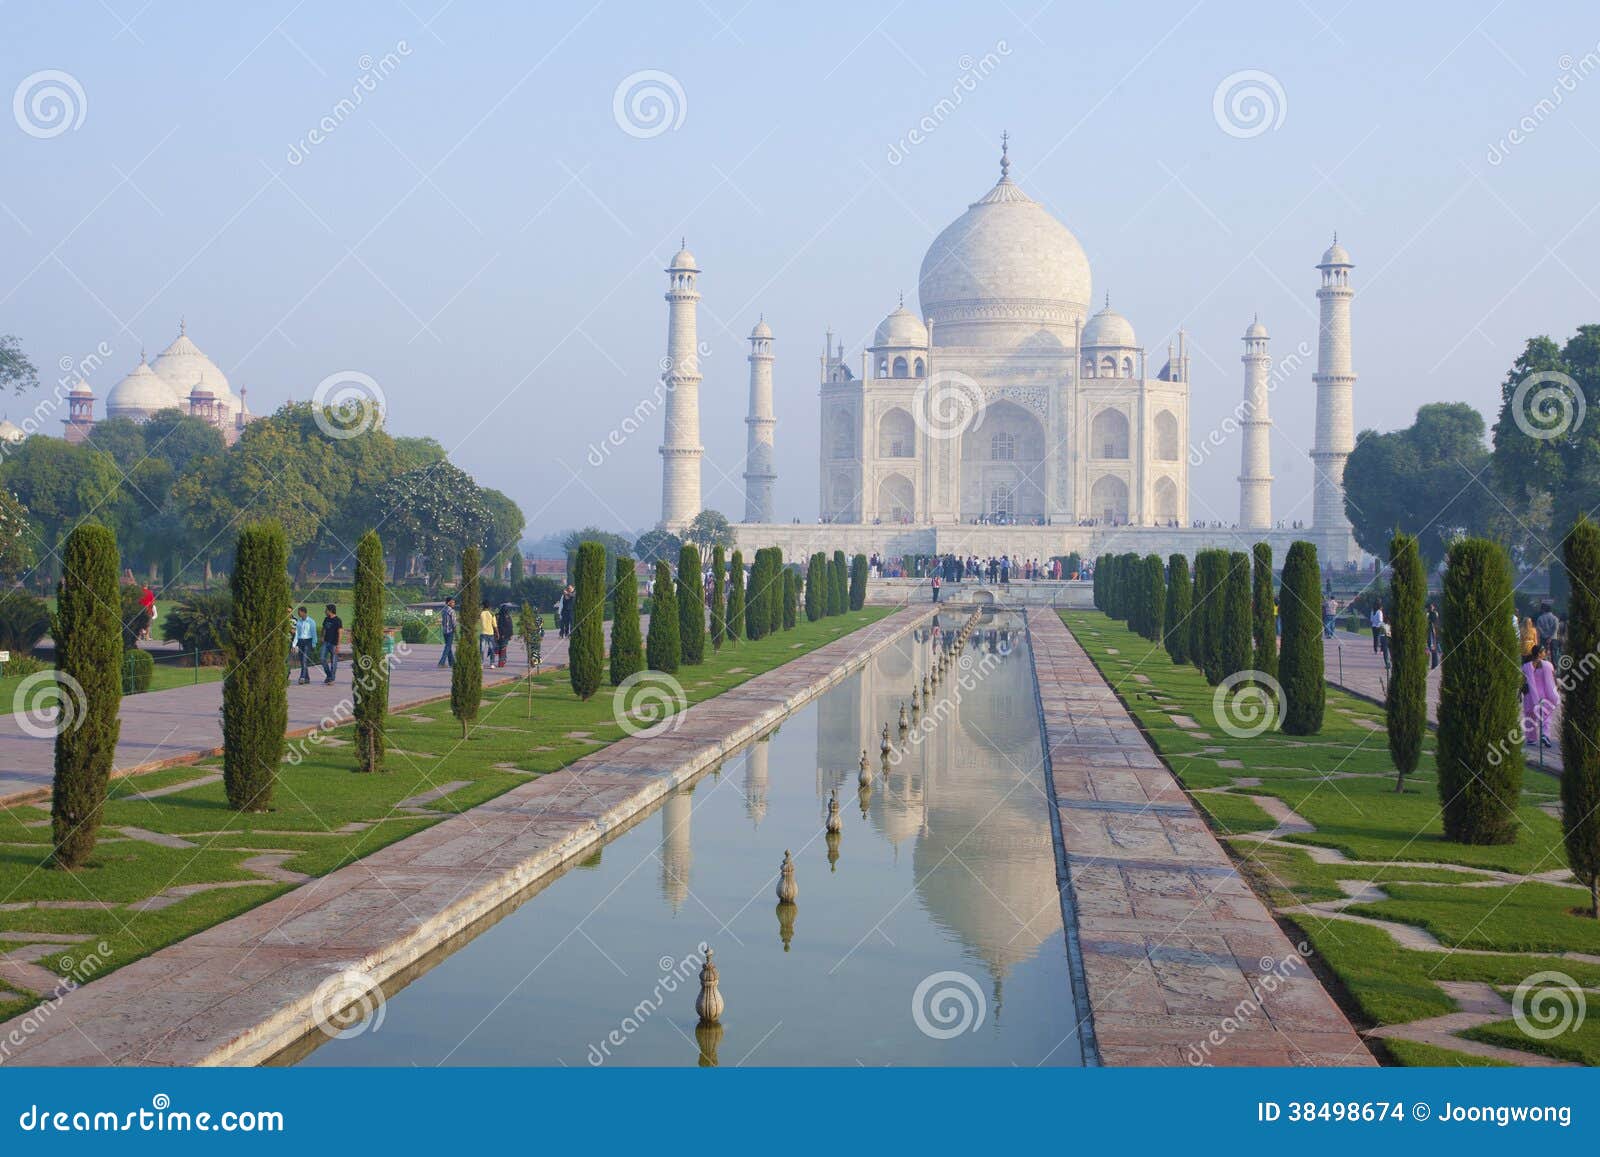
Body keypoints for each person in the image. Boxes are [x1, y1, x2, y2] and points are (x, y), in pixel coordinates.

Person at [1522, 643, 1559, 748]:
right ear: (1539, 654)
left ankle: (1531, 739)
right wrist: (1556, 688)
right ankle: (1545, 734)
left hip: (1529, 695)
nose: (1546, 653)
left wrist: (1520, 692)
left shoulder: (1525, 666)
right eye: (1544, 651)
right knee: (1546, 716)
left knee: (1530, 716)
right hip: (1543, 695)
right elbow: (1553, 679)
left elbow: (1522, 681)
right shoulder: (1548, 665)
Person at [291, 606, 317, 685]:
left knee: (305, 659)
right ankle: (307, 678)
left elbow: (314, 633)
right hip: (300, 641)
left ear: (303, 612)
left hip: (308, 641)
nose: (298, 614)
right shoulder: (299, 622)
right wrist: (294, 644)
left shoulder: (311, 621)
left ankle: (302, 677)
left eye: (299, 612)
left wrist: (314, 643)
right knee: (302, 660)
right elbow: (297, 634)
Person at [320, 603, 342, 685]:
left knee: (334, 661)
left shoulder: (338, 620)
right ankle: (329, 675)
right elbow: (323, 628)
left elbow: (340, 632)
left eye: (326, 610)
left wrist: (338, 645)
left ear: (330, 611)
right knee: (322, 658)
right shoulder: (326, 619)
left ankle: (332, 678)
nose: (325, 611)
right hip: (326, 642)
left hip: (334, 644)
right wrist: (322, 636)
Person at [438, 596, 457, 668]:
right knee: (447, 647)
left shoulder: (443, 610)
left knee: (448, 647)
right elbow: (454, 623)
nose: (454, 604)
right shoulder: (451, 611)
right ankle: (441, 662)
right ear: (449, 603)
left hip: (444, 631)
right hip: (450, 631)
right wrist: (455, 632)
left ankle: (452, 662)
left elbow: (443, 621)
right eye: (453, 602)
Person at [495, 602, 515, 669]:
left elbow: (495, 625)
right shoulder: (507, 616)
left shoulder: (497, 616)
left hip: (498, 634)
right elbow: (510, 626)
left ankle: (502, 660)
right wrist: (511, 634)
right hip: (505, 635)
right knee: (503, 648)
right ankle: (502, 661)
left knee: (501, 648)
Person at [1425, 601, 1440, 669]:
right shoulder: (1427, 614)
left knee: (1434, 648)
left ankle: (1435, 664)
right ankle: (1428, 663)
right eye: (1430, 607)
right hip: (1429, 631)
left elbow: (1436, 622)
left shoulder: (1435, 613)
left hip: (1434, 632)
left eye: (1432, 606)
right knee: (1428, 648)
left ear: (1434, 607)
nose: (1431, 608)